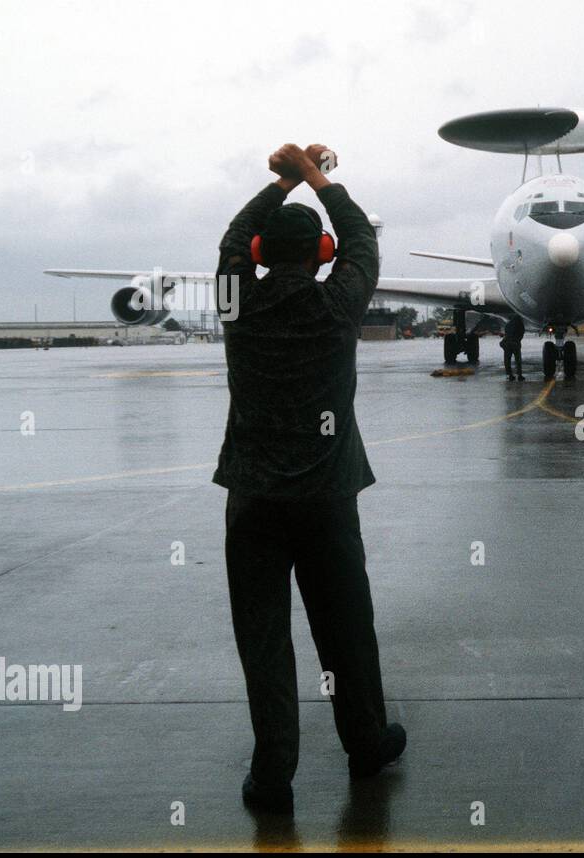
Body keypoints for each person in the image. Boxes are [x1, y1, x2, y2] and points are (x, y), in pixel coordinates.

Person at [214, 143, 405, 815]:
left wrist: (282, 183)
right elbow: (359, 238)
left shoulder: (238, 305)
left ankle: (273, 775)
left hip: (254, 499)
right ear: (322, 254)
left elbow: (233, 240)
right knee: (347, 628)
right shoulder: (340, 304)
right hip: (326, 498)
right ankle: (366, 741)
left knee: (263, 639)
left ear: (262, 254)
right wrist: (319, 180)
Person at [501, 313, 525, 380]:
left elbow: (506, 333)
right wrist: (518, 340)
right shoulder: (520, 324)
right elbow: (522, 333)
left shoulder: (508, 324)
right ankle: (519, 375)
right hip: (515, 344)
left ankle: (510, 375)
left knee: (507, 360)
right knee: (518, 360)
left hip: (507, 344)